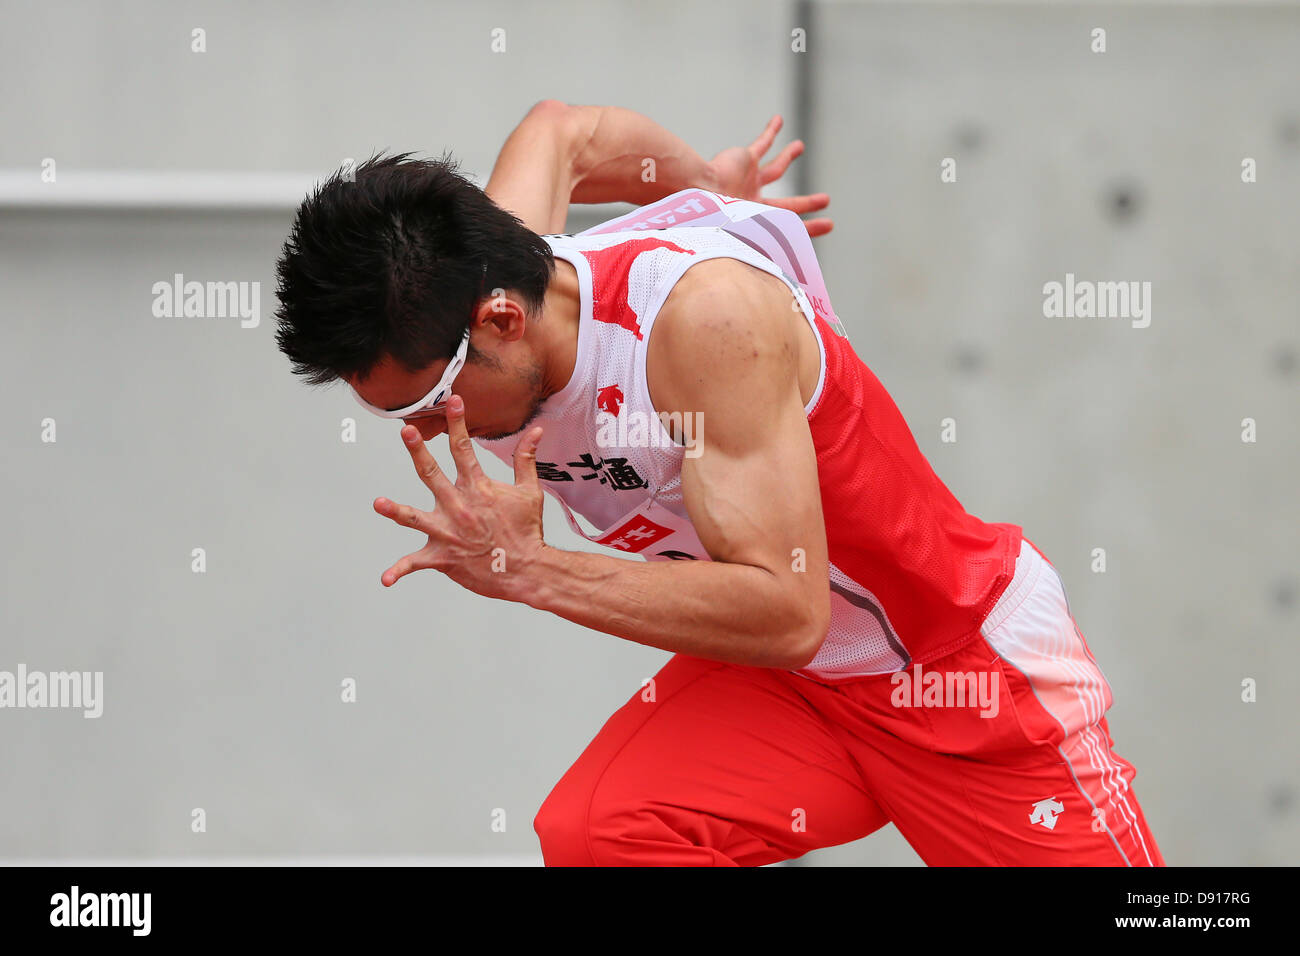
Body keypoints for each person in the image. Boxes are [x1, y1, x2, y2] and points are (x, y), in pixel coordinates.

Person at [274, 101, 1164, 866]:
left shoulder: (706, 320)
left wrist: (531, 569)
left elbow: (787, 606)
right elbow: (565, 131)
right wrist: (707, 186)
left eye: (430, 398)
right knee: (599, 832)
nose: (425, 427)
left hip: (956, 673)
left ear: (499, 321)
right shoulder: (503, 269)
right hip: (801, 693)